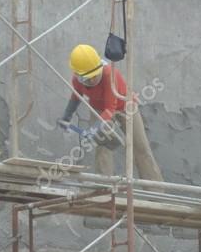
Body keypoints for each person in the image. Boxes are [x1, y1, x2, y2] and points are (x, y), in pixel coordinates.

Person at [57, 44, 163, 181]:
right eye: (87, 78)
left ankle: (155, 190)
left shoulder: (108, 75)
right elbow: (75, 97)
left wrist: (94, 129)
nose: (91, 80)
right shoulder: (77, 80)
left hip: (125, 106)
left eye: (94, 76)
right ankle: (105, 185)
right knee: (103, 147)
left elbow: (110, 109)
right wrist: (66, 116)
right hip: (99, 110)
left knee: (140, 148)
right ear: (78, 75)